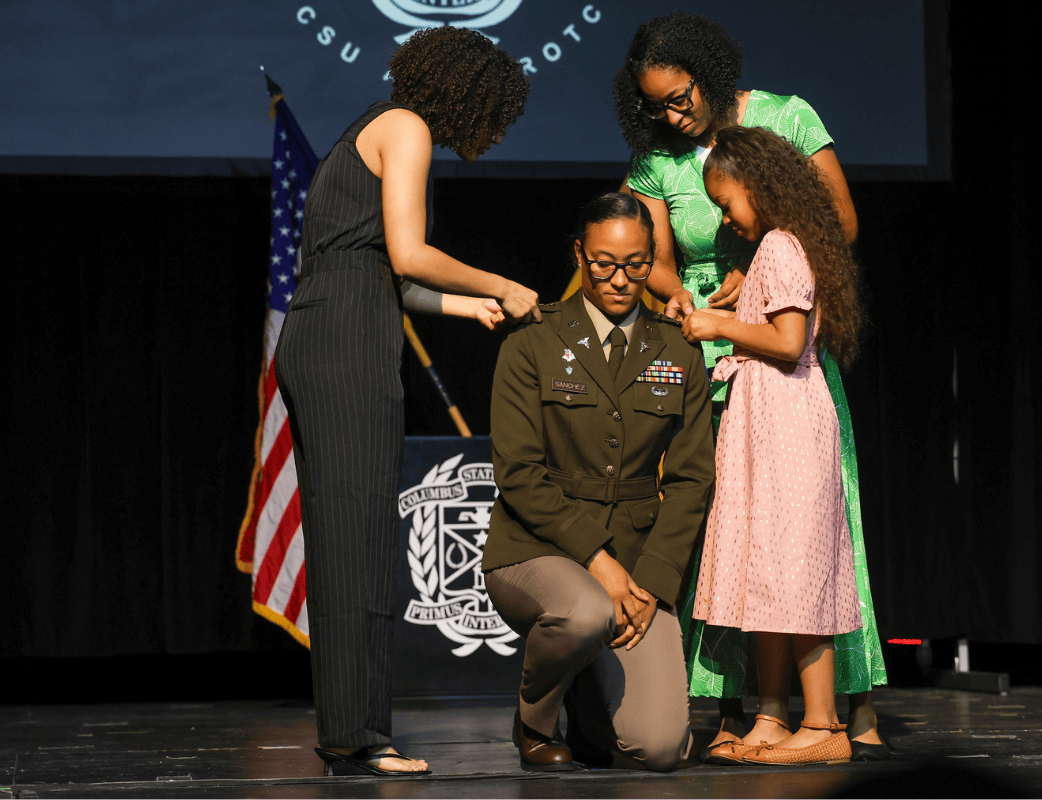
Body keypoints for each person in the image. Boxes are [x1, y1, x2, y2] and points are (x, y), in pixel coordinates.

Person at [613, 11, 888, 761]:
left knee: (803, 532)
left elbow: (838, 222)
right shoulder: (659, 162)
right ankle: (748, 709)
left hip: (775, 342)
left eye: (680, 96)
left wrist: (758, 275)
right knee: (736, 531)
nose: (673, 114)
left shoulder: (784, 120)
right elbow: (652, 256)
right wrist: (696, 305)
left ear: (706, 71)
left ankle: (835, 712)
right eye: (657, 107)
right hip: (710, 338)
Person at [273, 27, 539, 777]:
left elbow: (377, 266)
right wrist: (500, 285)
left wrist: (462, 311)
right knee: (355, 533)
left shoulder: (373, 124)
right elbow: (409, 255)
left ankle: (352, 730)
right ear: (468, 96)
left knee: (346, 530)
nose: (493, 131)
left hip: (330, 329)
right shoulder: (409, 127)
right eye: (496, 115)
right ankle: (360, 736)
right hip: (345, 343)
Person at [482, 193, 714, 773]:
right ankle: (533, 721)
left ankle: (589, 705)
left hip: (638, 560)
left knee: (659, 748)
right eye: (604, 263)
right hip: (536, 548)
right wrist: (600, 563)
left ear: (653, 258)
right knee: (584, 611)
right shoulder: (531, 341)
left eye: (637, 264)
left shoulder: (678, 349)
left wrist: (652, 583)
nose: (619, 279)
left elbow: (690, 480)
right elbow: (518, 473)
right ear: (580, 256)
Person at [684, 125, 864, 765]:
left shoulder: (784, 246)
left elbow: (789, 344)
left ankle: (822, 725)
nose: (722, 216)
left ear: (757, 186)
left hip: (788, 421)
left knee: (795, 572)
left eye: (725, 201)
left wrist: (720, 324)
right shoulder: (770, 249)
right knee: (764, 569)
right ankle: (770, 714)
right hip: (766, 421)